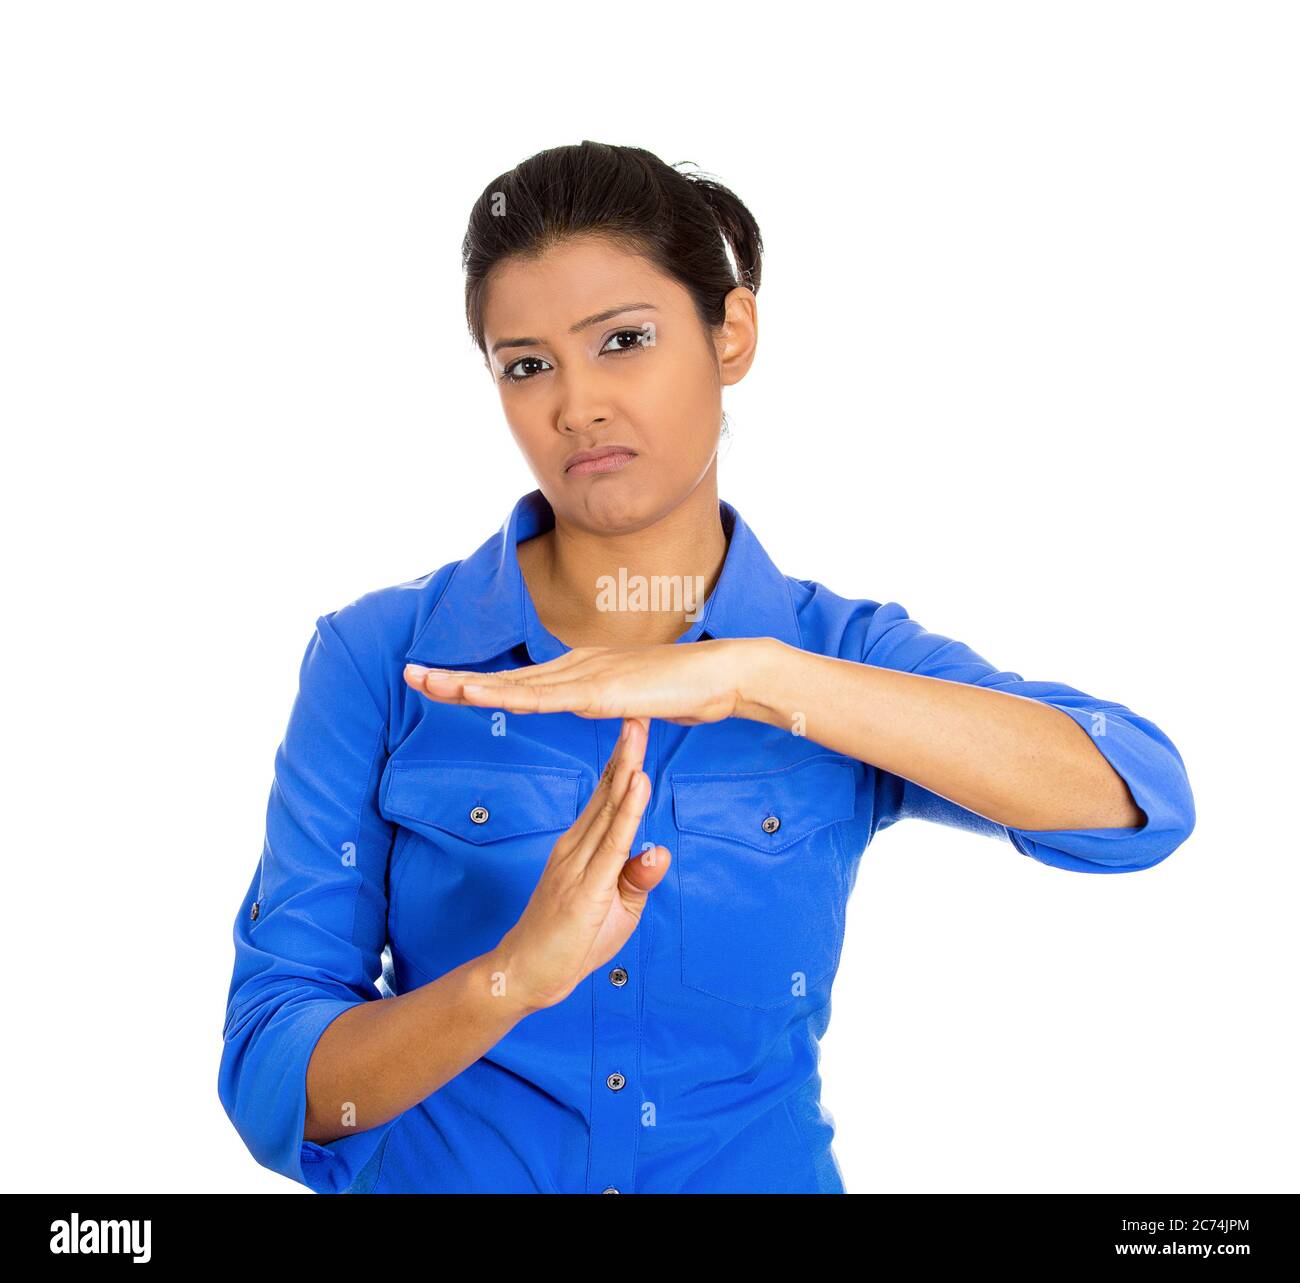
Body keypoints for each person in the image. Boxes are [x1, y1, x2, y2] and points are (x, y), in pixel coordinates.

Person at [218, 141, 1196, 1194]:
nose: (576, 405)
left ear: (731, 333)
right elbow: (277, 1081)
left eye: (624, 341)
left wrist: (759, 681)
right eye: (526, 364)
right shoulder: (380, 659)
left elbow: (1134, 802)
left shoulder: (833, 655)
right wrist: (505, 981)